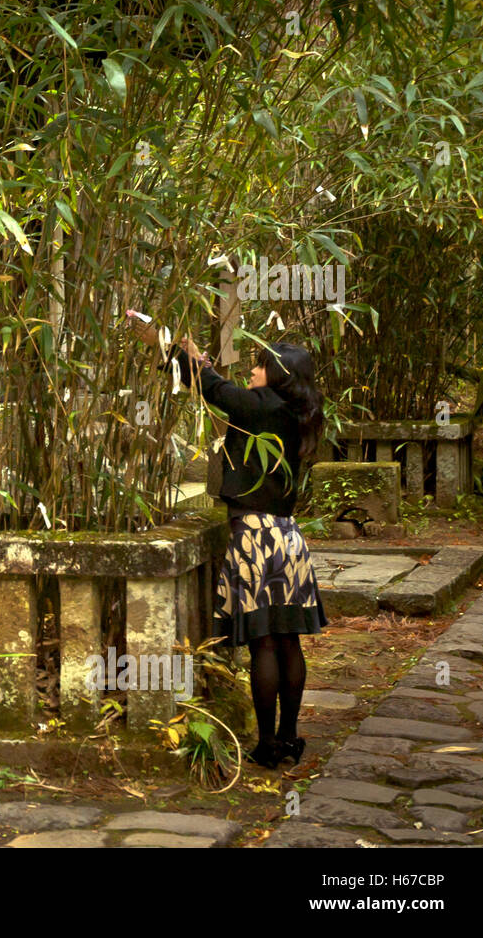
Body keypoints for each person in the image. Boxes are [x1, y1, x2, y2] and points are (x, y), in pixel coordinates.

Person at [131, 316, 328, 769]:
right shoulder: (298, 411)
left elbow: (216, 391)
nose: (254, 373)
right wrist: (194, 356)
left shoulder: (264, 405)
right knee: (288, 641)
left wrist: (165, 345)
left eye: (260, 367)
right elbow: (221, 387)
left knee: (263, 642)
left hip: (255, 535)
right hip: (288, 535)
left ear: (278, 375)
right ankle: (290, 737)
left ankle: (266, 744)